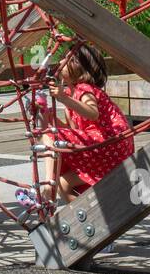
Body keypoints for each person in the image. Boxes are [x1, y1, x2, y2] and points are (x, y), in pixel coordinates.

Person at [19, 42, 133, 206]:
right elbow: (72, 132)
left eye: (67, 59)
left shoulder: (84, 88)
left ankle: (46, 192)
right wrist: (45, 113)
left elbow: (93, 113)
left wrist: (64, 99)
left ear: (80, 67)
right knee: (63, 184)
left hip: (109, 144)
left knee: (52, 134)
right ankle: (87, 217)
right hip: (105, 151)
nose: (61, 63)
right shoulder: (70, 94)